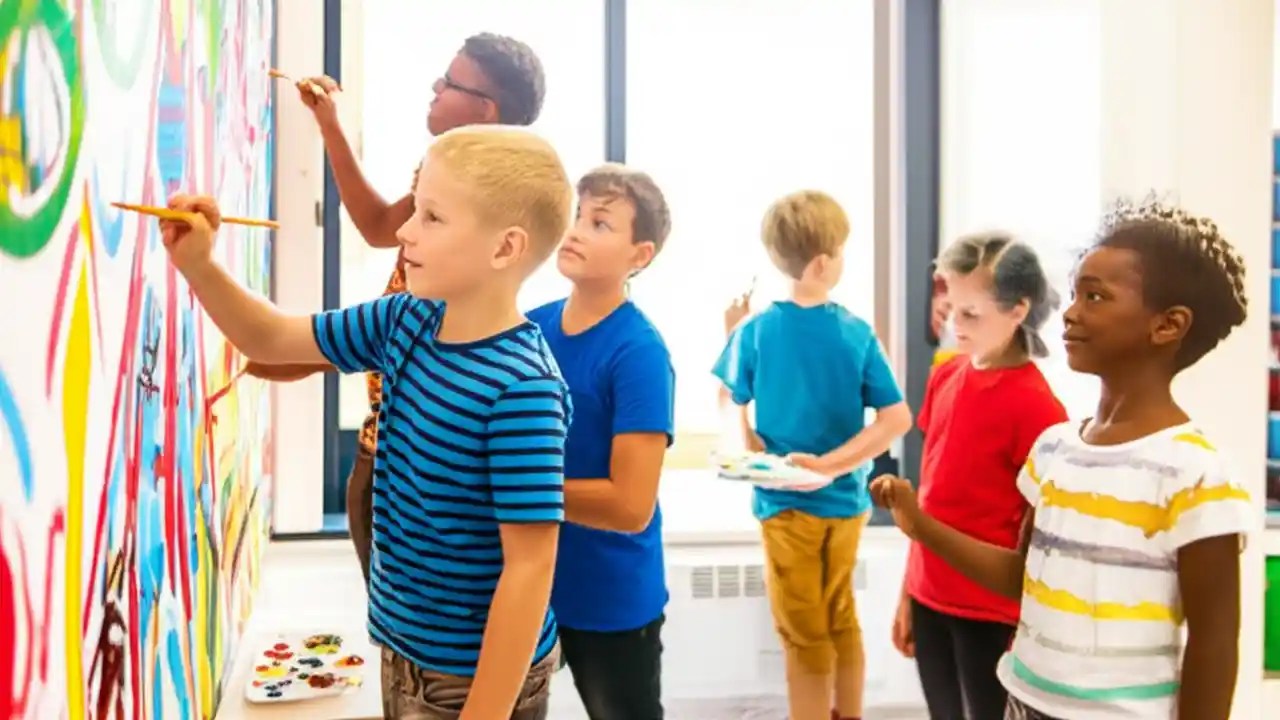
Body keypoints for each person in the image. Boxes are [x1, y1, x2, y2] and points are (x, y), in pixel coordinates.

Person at [159, 125, 575, 719]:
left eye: (432, 217)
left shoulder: (523, 389)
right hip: (403, 648)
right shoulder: (405, 319)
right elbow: (271, 338)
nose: (404, 231)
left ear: (505, 249)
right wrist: (198, 266)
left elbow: (531, 568)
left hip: (470, 677)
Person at [872, 200, 1253, 720]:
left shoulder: (1197, 474)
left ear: (1168, 326)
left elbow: (1215, 644)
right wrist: (919, 525)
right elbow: (1021, 577)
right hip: (1024, 703)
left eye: (1095, 296)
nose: (1071, 312)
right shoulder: (1055, 450)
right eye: (1075, 294)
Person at [250, 33, 546, 585]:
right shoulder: (446, 167)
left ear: (485, 109)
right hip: (383, 442)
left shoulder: (491, 194)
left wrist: (322, 353)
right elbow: (380, 227)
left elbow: (436, 326)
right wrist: (330, 125)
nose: (435, 87)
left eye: (450, 82)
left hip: (410, 455)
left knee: (417, 610)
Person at [713, 190, 913, 720]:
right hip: (847, 505)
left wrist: (733, 337)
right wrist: (833, 467)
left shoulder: (755, 331)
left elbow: (731, 406)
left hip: (785, 506)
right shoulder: (856, 333)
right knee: (840, 617)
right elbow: (896, 419)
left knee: (802, 633)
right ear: (824, 263)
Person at [896, 234, 1067, 719]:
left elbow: (1042, 537)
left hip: (990, 615)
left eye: (971, 314)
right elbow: (928, 498)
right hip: (929, 598)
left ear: (1018, 311)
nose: (955, 323)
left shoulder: (1038, 410)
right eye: (951, 308)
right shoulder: (945, 377)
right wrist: (908, 592)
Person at [526, 163, 675, 719]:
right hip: (527, 583)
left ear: (641, 255)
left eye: (600, 224)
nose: (575, 232)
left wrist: (515, 492)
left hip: (611, 598)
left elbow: (631, 506)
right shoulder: (529, 329)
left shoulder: (639, 353)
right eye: (577, 216)